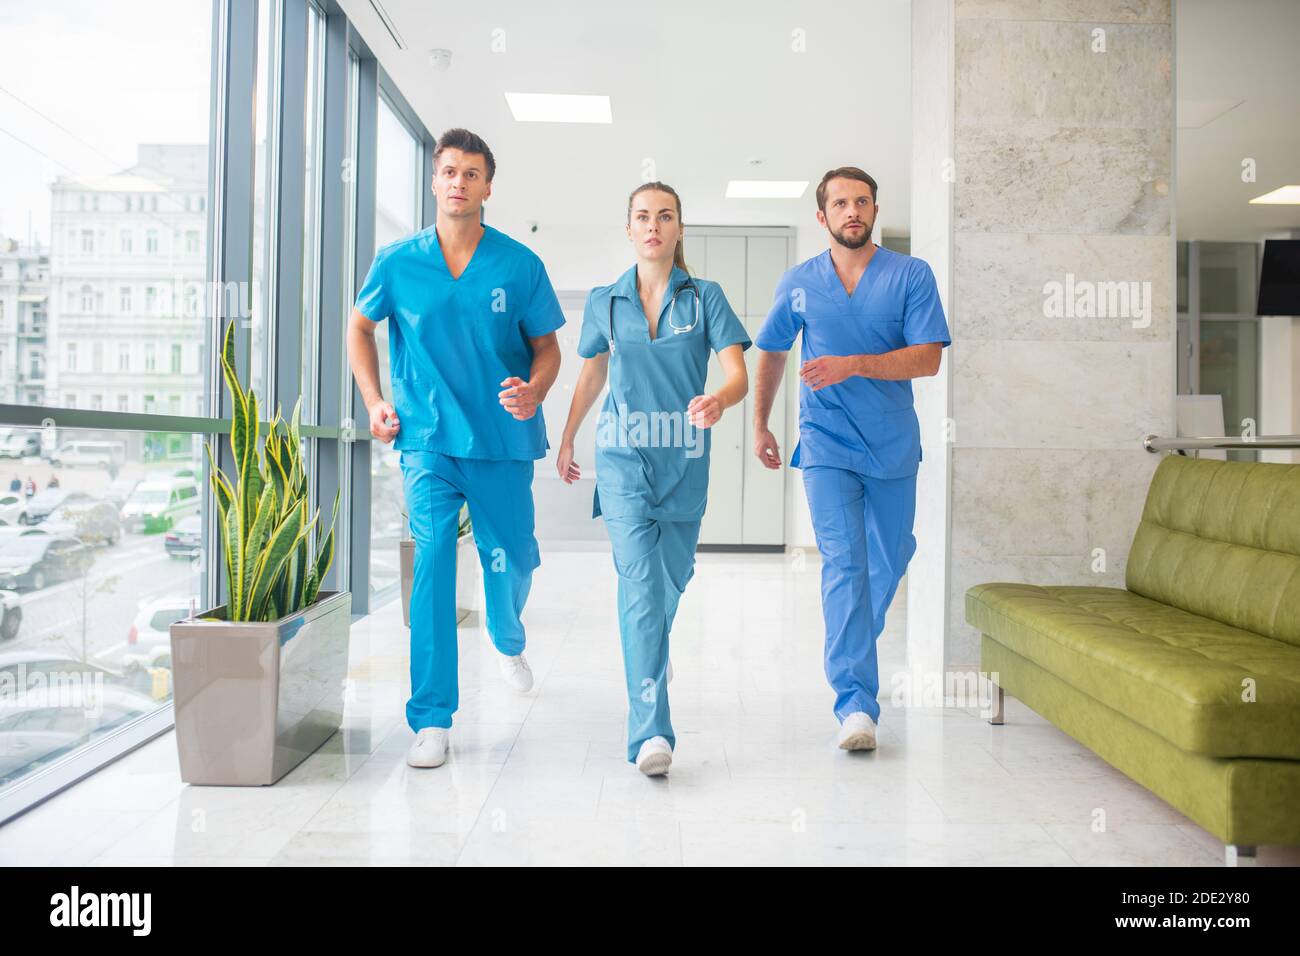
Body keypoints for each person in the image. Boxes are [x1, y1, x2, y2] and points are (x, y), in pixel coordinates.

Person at [346, 128, 565, 770]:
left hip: (501, 441)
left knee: (514, 558)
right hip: (428, 441)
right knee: (435, 563)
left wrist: (534, 389)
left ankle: (507, 636)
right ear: (434, 180)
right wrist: (373, 399)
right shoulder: (397, 262)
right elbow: (360, 325)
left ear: (488, 187)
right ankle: (432, 717)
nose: (458, 182)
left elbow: (548, 349)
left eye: (472, 173)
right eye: (449, 171)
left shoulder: (519, 265)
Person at [752, 167, 950, 751]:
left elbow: (928, 359)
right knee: (843, 560)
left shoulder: (911, 275)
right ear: (823, 216)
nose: (852, 211)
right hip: (826, 444)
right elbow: (770, 350)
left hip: (891, 443)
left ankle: (855, 642)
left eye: (861, 201)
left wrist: (856, 363)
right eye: (840, 203)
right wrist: (761, 422)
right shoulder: (799, 283)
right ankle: (855, 705)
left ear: (874, 209)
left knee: (889, 557)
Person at [557, 182, 750, 775]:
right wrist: (568, 436)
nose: (653, 226)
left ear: (679, 228)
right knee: (640, 589)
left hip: (685, 462)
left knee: (667, 587)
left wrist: (718, 400)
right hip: (621, 461)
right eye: (642, 216)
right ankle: (651, 733)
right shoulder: (604, 301)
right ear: (629, 228)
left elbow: (737, 375)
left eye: (664, 216)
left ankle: (649, 659)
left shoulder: (706, 297)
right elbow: (591, 375)